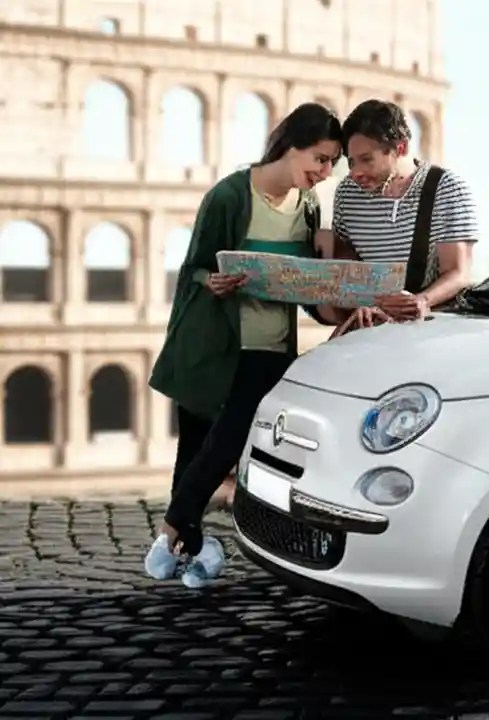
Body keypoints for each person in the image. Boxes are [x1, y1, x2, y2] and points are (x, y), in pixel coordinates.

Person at [145, 102, 345, 588]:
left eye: (330, 165)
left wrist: (338, 289)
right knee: (195, 450)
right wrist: (210, 280)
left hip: (271, 347)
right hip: (214, 346)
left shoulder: (310, 208)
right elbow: (192, 266)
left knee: (230, 438)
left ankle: (171, 528)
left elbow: (308, 295)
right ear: (291, 145)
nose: (323, 172)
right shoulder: (230, 195)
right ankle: (188, 552)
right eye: (319, 159)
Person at [325, 98, 479, 331]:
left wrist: (422, 301)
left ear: (401, 148)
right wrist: (359, 303)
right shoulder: (347, 193)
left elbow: (459, 272)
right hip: (370, 330)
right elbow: (349, 268)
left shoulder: (447, 188)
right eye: (351, 162)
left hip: (429, 330)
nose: (356, 172)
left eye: (367, 160)